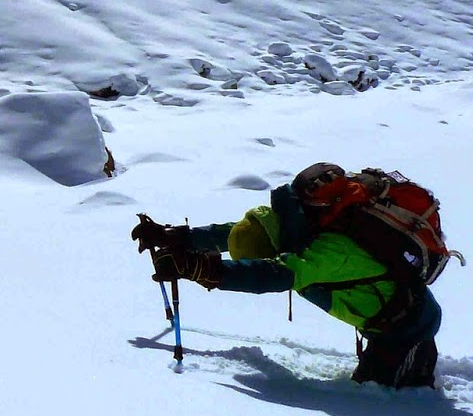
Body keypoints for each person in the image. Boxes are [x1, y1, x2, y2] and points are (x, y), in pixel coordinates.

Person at [130, 162, 444, 389]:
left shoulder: (331, 252)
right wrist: (175, 236)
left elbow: (274, 274)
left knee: (383, 398)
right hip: (377, 310)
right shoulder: (287, 220)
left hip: (404, 326)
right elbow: (234, 235)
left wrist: (200, 269)